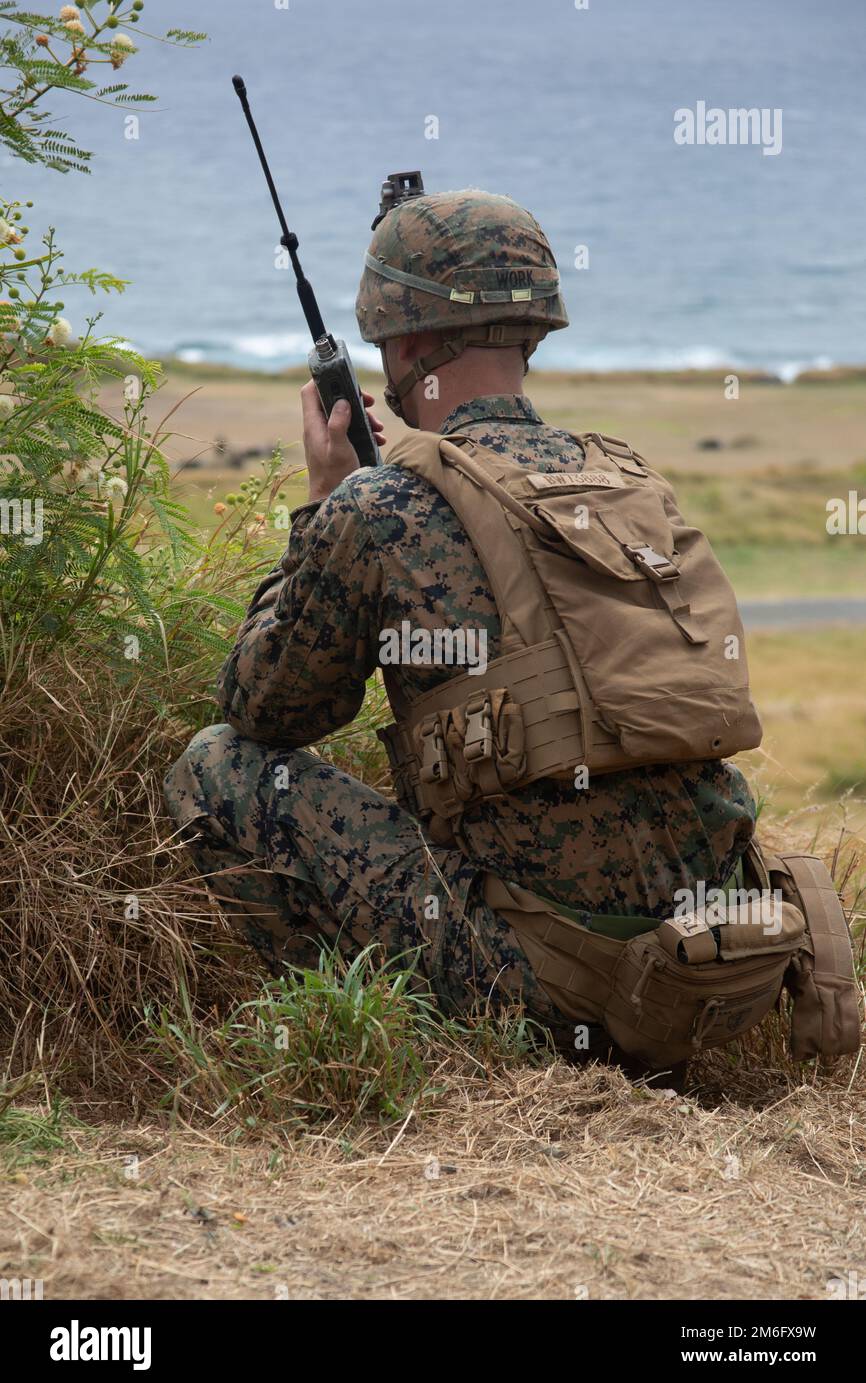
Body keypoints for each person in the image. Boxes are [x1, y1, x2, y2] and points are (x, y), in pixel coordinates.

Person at [164, 187, 756, 1060]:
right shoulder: (629, 480)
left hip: (535, 980)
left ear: (402, 342)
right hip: (703, 961)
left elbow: (267, 711)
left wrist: (324, 506)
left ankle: (382, 1041)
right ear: (532, 329)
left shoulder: (380, 504)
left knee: (217, 768)